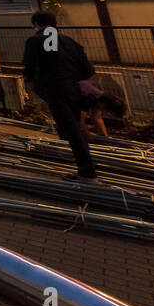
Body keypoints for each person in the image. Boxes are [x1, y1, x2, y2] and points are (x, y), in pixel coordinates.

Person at [22, 12, 97, 180]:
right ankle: (88, 164)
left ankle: (88, 172)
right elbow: (87, 70)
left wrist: (35, 83)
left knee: (72, 130)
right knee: (75, 127)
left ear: (36, 23)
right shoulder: (70, 42)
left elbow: (30, 68)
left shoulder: (34, 41)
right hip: (74, 89)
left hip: (55, 90)